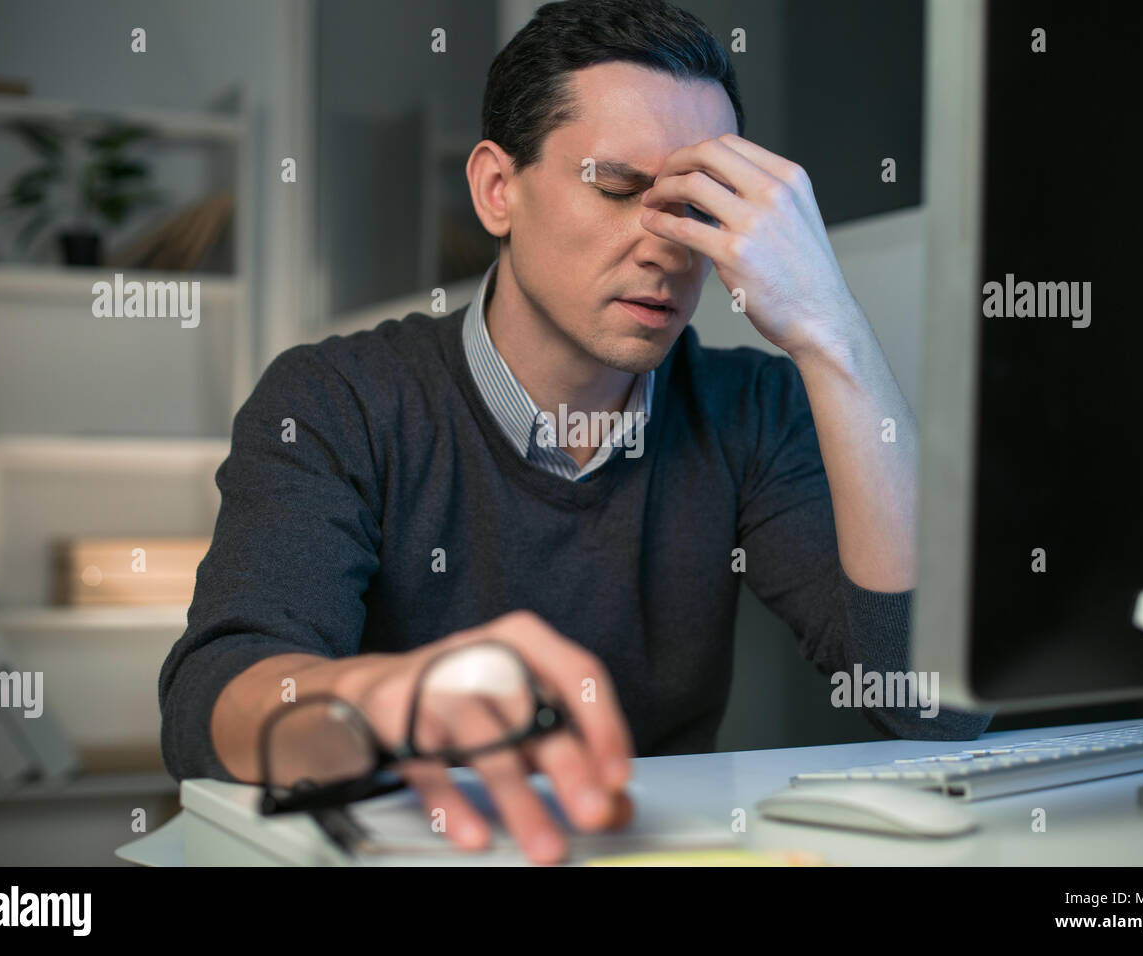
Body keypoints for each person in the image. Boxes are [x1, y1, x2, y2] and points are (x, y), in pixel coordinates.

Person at [159, 0, 992, 865]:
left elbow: (931, 705)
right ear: (496, 190)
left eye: (701, 208)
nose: (666, 248)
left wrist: (832, 328)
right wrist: (380, 702)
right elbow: (206, 706)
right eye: (620, 187)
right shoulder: (336, 399)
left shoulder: (751, 407)